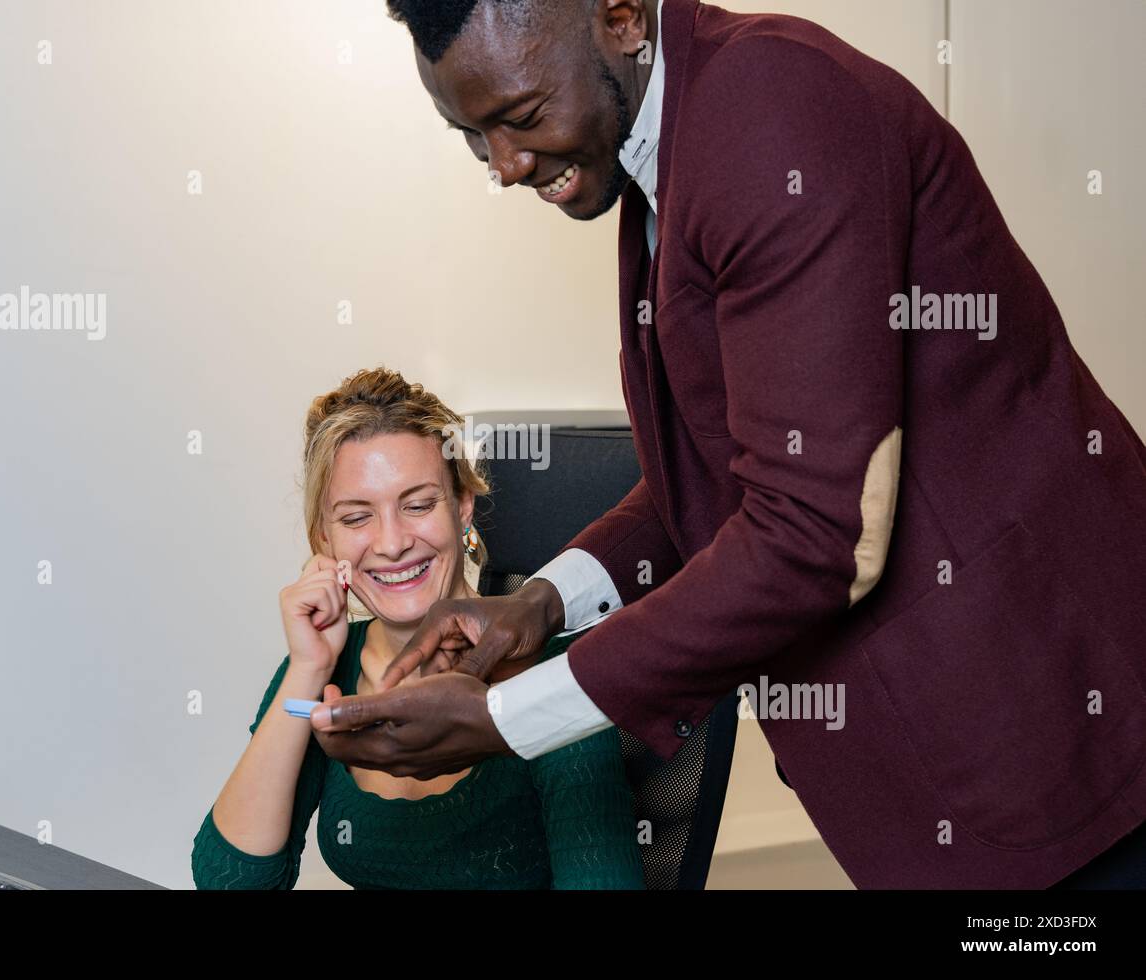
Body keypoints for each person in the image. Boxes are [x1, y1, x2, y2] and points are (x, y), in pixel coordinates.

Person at [308, 0, 1146, 889]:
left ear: (622, 18)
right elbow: (715, 464)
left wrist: (511, 716)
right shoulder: (657, 146)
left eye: (519, 118)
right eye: (473, 138)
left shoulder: (773, 105)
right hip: (948, 768)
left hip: (1051, 739)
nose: (507, 168)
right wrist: (542, 605)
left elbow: (812, 535)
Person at [191, 367, 645, 889]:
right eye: (356, 517)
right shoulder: (326, 671)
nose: (391, 543)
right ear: (324, 536)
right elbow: (229, 882)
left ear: (463, 508)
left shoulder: (550, 678)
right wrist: (308, 666)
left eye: (418, 505)